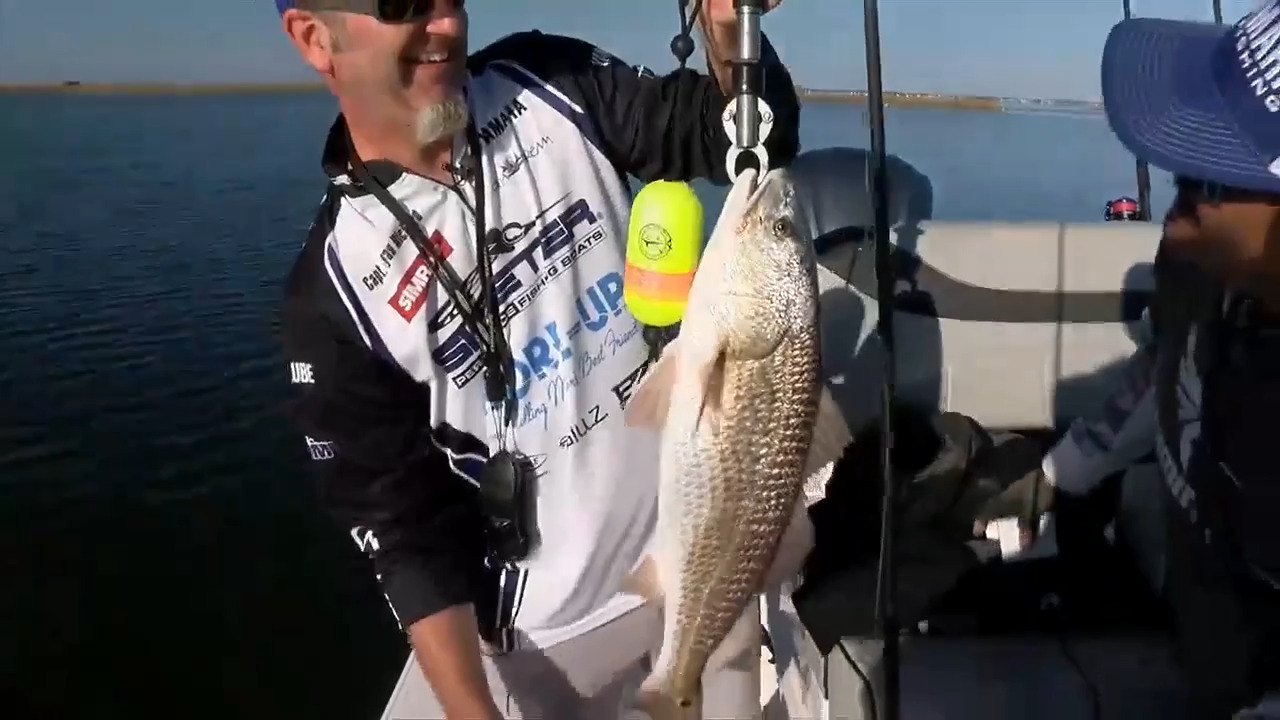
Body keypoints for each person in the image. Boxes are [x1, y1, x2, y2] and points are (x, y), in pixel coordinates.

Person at [274, 0, 800, 718]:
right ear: (314, 37)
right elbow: (404, 534)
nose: (448, 25)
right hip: (548, 640)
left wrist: (725, 26)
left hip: (710, 543)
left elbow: (725, 133)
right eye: (403, 5)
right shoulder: (330, 296)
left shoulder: (547, 80)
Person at [987, 4, 1280, 717]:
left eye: (1206, 175)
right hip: (1203, 638)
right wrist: (1052, 477)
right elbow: (1163, 378)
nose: (1175, 203)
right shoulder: (1194, 264)